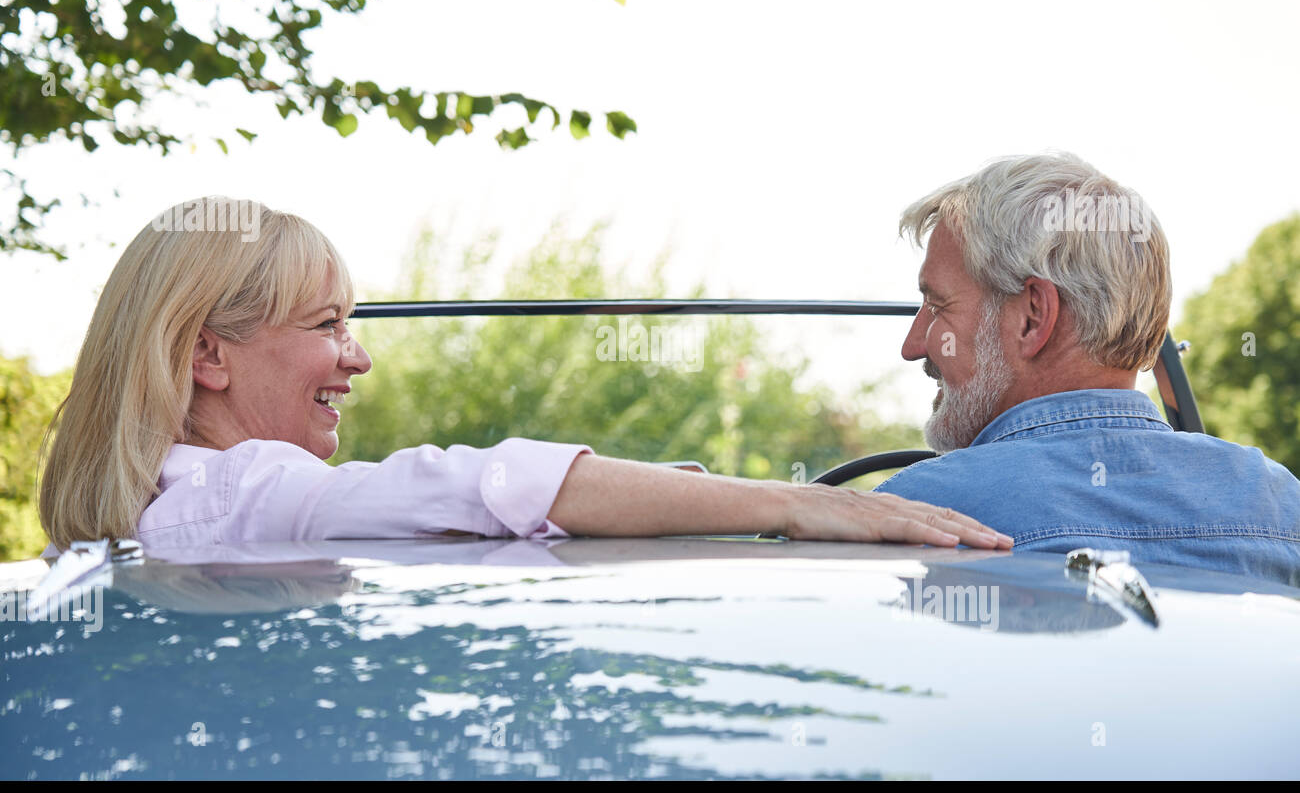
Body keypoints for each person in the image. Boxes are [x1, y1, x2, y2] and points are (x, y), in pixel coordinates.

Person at [38, 197, 1012, 560]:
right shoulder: (236, 496)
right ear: (207, 354)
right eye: (327, 324)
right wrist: (795, 504)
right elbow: (473, 483)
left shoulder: (173, 507)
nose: (360, 355)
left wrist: (664, 485)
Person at [873, 153, 1300, 584]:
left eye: (938, 305)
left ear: (1032, 317)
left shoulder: (915, 516)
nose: (913, 346)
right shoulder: (1278, 502)